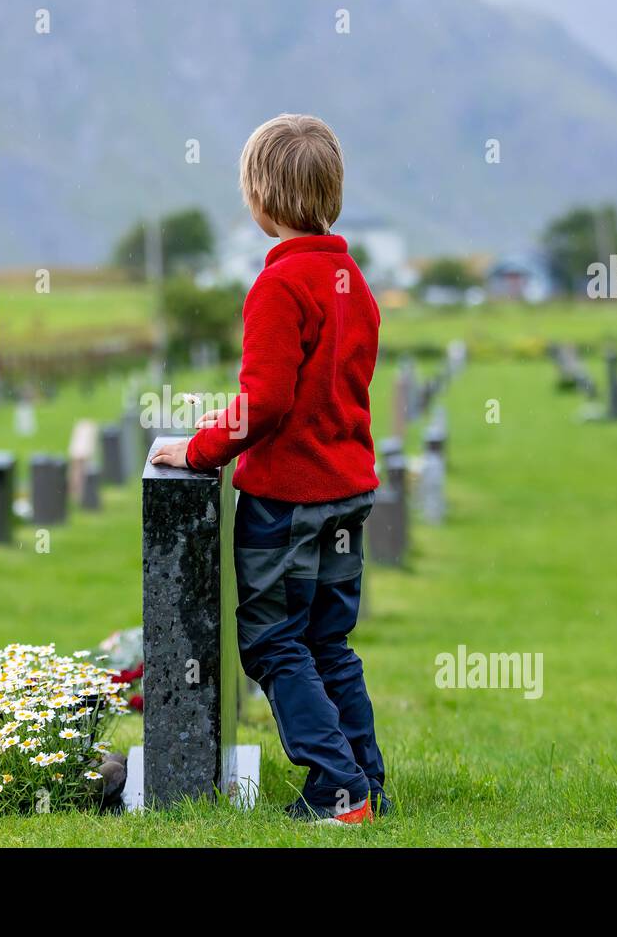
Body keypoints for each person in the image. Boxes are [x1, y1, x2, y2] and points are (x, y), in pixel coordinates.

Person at [150, 113, 389, 824]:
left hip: (287, 500)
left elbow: (266, 402)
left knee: (277, 644)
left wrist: (195, 451)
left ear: (261, 198)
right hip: (347, 493)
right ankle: (365, 782)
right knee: (327, 642)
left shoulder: (280, 288)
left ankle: (337, 793)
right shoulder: (354, 281)